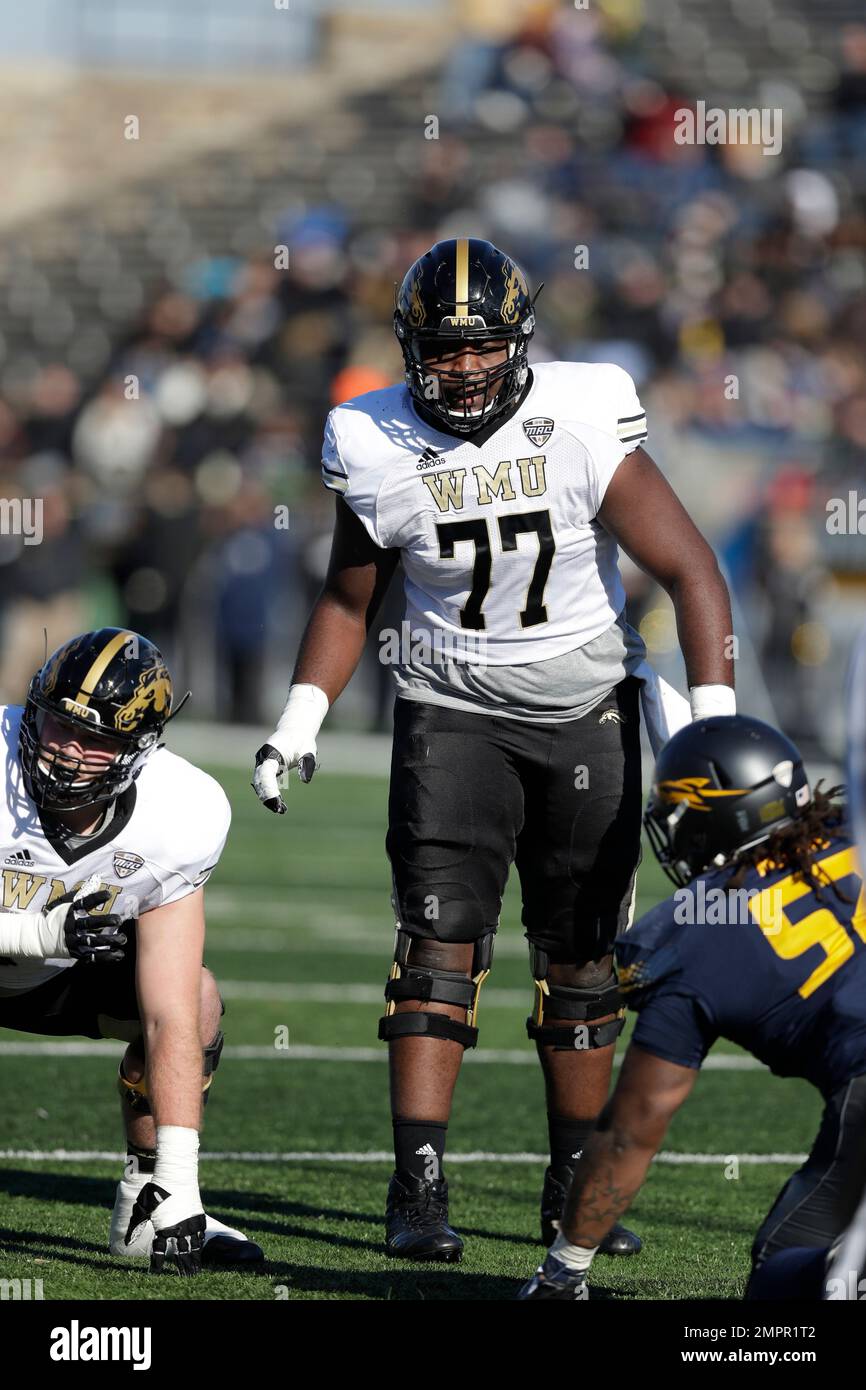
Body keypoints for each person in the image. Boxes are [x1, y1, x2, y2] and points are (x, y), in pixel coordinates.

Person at [253, 238, 735, 1261]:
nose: (463, 367)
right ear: (408, 347)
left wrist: (710, 730)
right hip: (448, 701)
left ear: (517, 343)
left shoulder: (585, 408)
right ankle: (417, 1183)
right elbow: (350, 595)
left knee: (582, 962)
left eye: (481, 348)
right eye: (442, 348)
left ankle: (576, 1177)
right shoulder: (368, 433)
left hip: (583, 705)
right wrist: (298, 720)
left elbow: (692, 571)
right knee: (436, 950)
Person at [517, 714, 866, 1299]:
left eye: (678, 817)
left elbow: (634, 1126)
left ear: (716, 814)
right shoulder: (850, 833)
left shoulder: (699, 929)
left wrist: (566, 1266)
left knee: (787, 1284)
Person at [0, 628, 262, 1274]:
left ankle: (147, 1207)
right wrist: (40, 934)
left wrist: (183, 1184)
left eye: (94, 740)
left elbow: (169, 1010)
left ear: (139, 749)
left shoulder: (184, 811)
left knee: (196, 1000)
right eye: (58, 726)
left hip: (51, 983)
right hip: (35, 953)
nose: (66, 752)